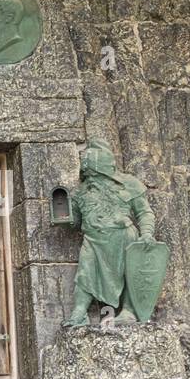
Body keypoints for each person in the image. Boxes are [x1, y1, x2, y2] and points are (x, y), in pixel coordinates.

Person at [65, 138, 156, 326]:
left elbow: (144, 212)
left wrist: (147, 233)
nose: (92, 180)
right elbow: (75, 222)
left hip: (123, 237)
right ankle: (80, 311)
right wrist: (65, 218)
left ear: (105, 170)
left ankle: (129, 310)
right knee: (85, 272)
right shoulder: (80, 192)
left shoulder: (129, 185)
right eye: (88, 175)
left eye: (95, 175)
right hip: (93, 239)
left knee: (129, 272)